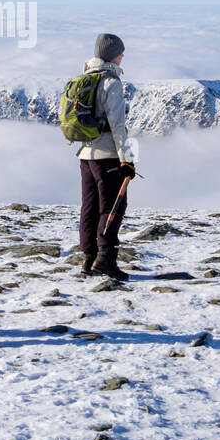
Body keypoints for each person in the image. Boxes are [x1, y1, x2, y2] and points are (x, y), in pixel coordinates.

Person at [76, 33, 135, 281]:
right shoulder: (111, 82)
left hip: (85, 155)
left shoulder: (85, 78)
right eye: (121, 53)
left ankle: (87, 260)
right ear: (113, 55)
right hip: (107, 155)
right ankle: (105, 260)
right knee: (112, 207)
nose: (123, 57)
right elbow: (117, 126)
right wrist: (127, 159)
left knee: (89, 207)